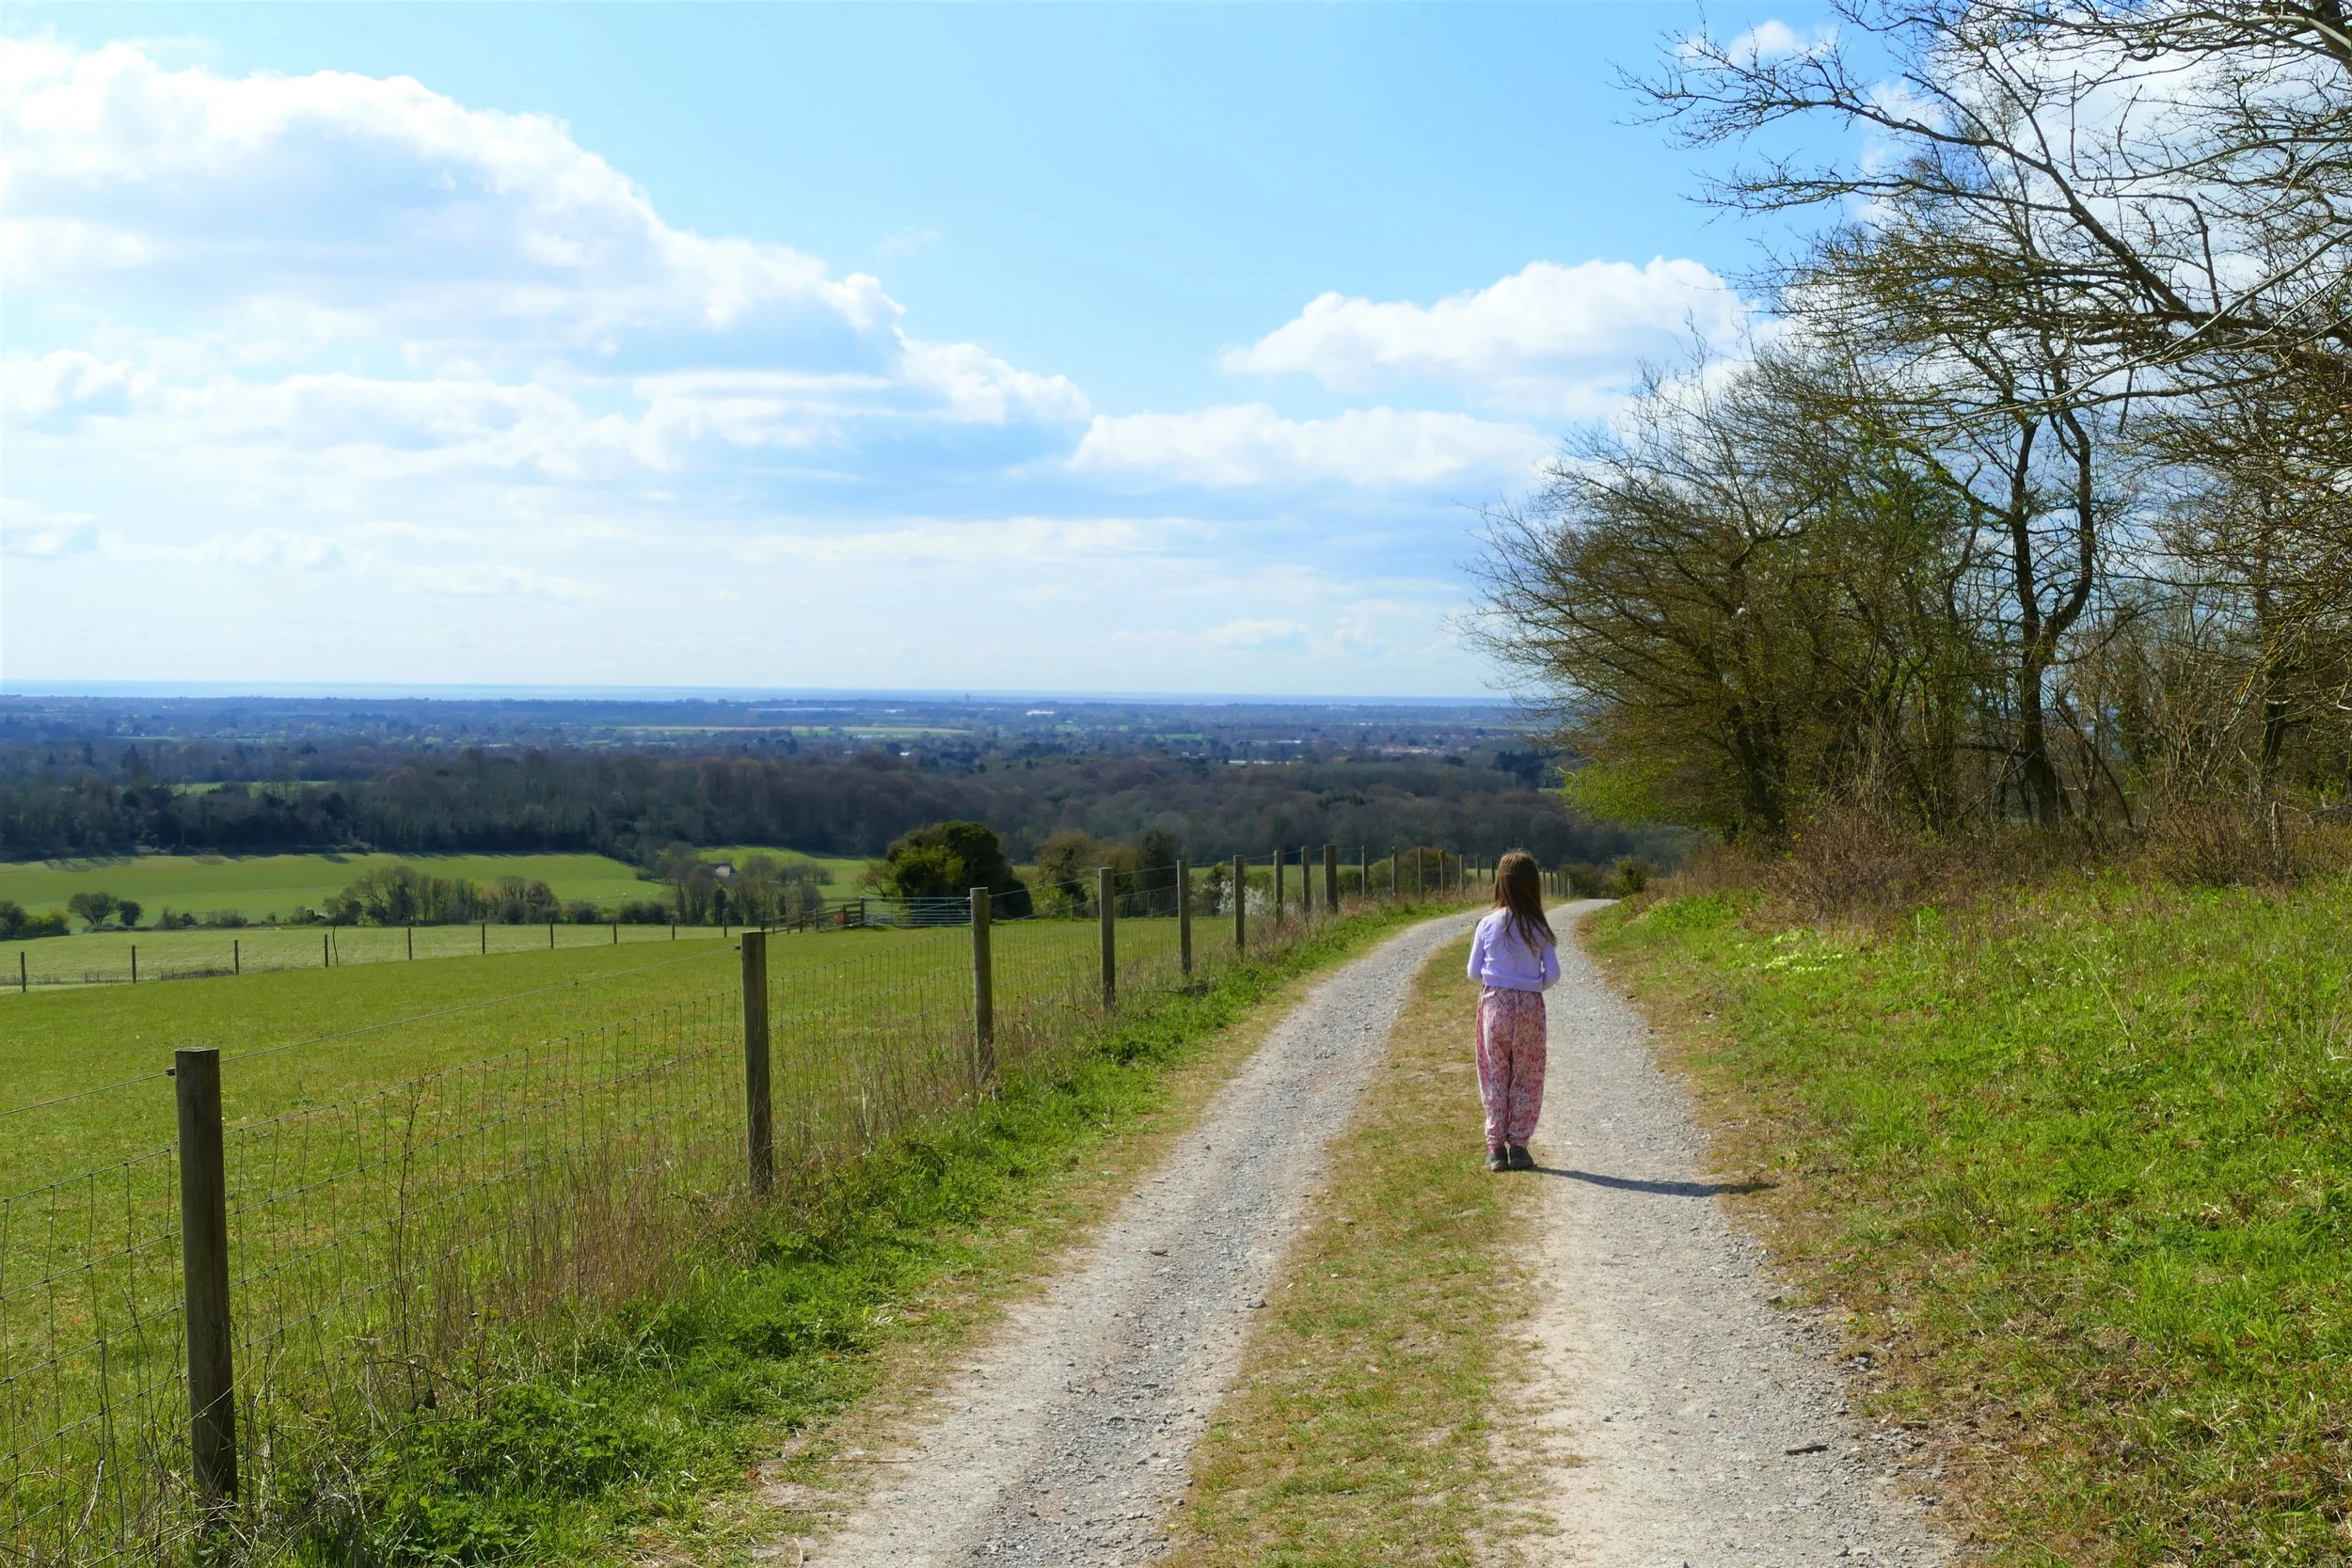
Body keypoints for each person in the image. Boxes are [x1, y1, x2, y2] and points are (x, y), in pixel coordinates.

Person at [1465, 850, 1559, 1171]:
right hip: (1530, 1006)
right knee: (1527, 1074)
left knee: (1494, 1071)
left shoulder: (1487, 924)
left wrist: (1500, 980)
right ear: (1534, 886)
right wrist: (1531, 985)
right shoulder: (1538, 927)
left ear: (1500, 884)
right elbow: (1554, 974)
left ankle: (1495, 1149)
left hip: (1495, 1004)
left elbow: (1473, 972)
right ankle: (1519, 1146)